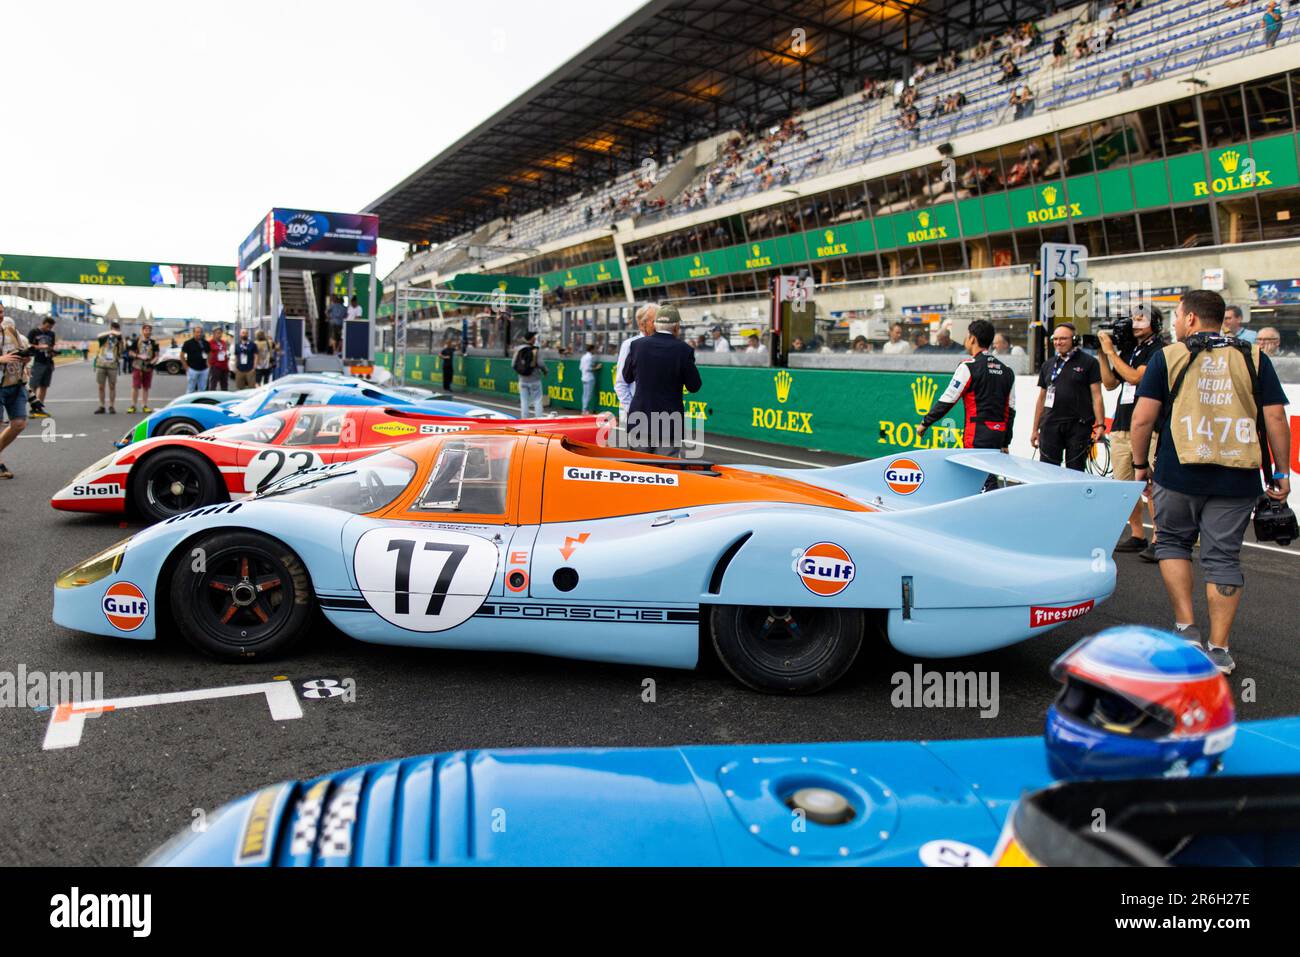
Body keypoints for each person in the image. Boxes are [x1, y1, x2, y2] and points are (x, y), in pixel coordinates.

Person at [1128, 290, 1291, 673]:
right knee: (1223, 558)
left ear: (1191, 320)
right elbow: (1276, 420)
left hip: (1178, 471)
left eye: (1178, 316)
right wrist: (1280, 473)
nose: (1176, 323)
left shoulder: (1168, 357)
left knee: (1172, 543)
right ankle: (1220, 649)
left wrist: (1139, 464)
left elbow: (1142, 419)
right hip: (1237, 477)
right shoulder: (1254, 357)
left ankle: (1186, 629)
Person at [1099, 308, 1163, 554]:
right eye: (1133, 319)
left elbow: (1136, 377)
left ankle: (1159, 537)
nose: (1135, 324)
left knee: (1153, 485)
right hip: (1122, 424)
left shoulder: (1158, 349)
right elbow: (1110, 383)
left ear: (1155, 323)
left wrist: (1110, 352)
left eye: (1141, 319)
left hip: (1149, 427)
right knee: (1125, 486)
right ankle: (1137, 534)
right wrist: (1102, 356)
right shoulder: (1129, 350)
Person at [917, 320, 1015, 457]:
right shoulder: (1008, 371)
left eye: (967, 336)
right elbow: (1010, 410)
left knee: (976, 475)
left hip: (977, 434)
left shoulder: (968, 366)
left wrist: (925, 422)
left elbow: (948, 400)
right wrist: (1006, 442)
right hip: (999, 435)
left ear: (973, 339)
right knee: (989, 474)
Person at [622, 303, 703, 457]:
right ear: (677, 327)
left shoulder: (637, 345)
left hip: (640, 416)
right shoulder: (683, 350)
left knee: (639, 471)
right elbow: (694, 386)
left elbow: (627, 377)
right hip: (670, 421)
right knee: (666, 473)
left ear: (656, 324)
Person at [1032, 323, 1105, 471]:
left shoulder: (1089, 363)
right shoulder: (1048, 365)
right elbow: (1041, 398)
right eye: (1056, 339)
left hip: (1078, 426)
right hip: (1050, 425)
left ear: (1074, 339)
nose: (1058, 342)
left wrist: (1100, 425)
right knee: (1047, 471)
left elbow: (1097, 396)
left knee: (1075, 471)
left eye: (1063, 339)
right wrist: (1035, 429)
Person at [614, 303, 657, 424]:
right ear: (642, 324)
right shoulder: (629, 345)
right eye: (654, 321)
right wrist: (632, 410)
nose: (658, 324)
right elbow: (620, 383)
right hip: (636, 415)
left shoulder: (664, 344)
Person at [0, 314, 31, 479]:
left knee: (18, 424)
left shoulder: (11, 331)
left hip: (16, 383)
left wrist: (25, 358)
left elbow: (21, 354)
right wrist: (1, 359)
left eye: (0, 311)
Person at [513, 331, 547, 419]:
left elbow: (513, 364)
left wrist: (520, 372)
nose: (535, 338)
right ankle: (539, 419)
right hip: (534, 379)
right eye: (534, 337)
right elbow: (541, 364)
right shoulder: (535, 350)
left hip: (522, 380)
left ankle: (524, 419)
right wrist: (545, 371)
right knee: (537, 400)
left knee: (524, 400)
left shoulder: (518, 349)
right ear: (531, 339)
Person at [27, 316, 56, 415]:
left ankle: (40, 406)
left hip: (48, 361)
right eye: (47, 326)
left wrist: (52, 352)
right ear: (43, 323)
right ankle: (33, 406)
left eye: (51, 327)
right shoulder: (34, 332)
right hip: (37, 361)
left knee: (44, 385)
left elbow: (51, 346)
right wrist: (40, 346)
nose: (49, 329)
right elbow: (27, 345)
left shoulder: (51, 334)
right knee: (34, 384)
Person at [127, 322, 160, 413]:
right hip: (137, 365)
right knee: (135, 386)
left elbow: (157, 355)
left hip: (148, 367)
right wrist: (139, 356)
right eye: (146, 330)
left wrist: (152, 363)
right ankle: (133, 405)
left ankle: (144, 405)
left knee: (146, 387)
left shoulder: (154, 342)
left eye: (149, 330)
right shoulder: (137, 340)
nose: (148, 332)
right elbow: (130, 352)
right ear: (142, 331)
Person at [94, 321, 125, 414]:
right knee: (101, 386)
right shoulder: (104, 337)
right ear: (110, 328)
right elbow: (98, 336)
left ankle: (111, 406)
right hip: (101, 364)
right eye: (113, 329)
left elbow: (123, 350)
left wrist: (120, 339)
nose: (115, 331)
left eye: (116, 329)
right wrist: (110, 333)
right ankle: (101, 406)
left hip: (112, 365)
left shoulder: (119, 339)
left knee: (112, 386)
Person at [182, 324, 210, 393]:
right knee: (190, 389)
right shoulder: (188, 343)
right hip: (192, 369)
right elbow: (181, 355)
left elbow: (209, 354)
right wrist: (186, 367)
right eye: (197, 332)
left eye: (200, 332)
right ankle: (188, 403)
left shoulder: (206, 343)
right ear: (193, 333)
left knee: (202, 389)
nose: (199, 334)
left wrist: (208, 364)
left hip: (204, 370)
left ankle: (200, 403)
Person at [579, 344, 601, 413]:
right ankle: (585, 410)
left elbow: (581, 368)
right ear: (591, 349)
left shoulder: (583, 357)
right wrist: (597, 367)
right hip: (589, 378)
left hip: (584, 377)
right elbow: (588, 368)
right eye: (594, 349)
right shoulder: (590, 357)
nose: (595, 350)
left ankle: (584, 409)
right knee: (588, 395)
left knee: (585, 395)